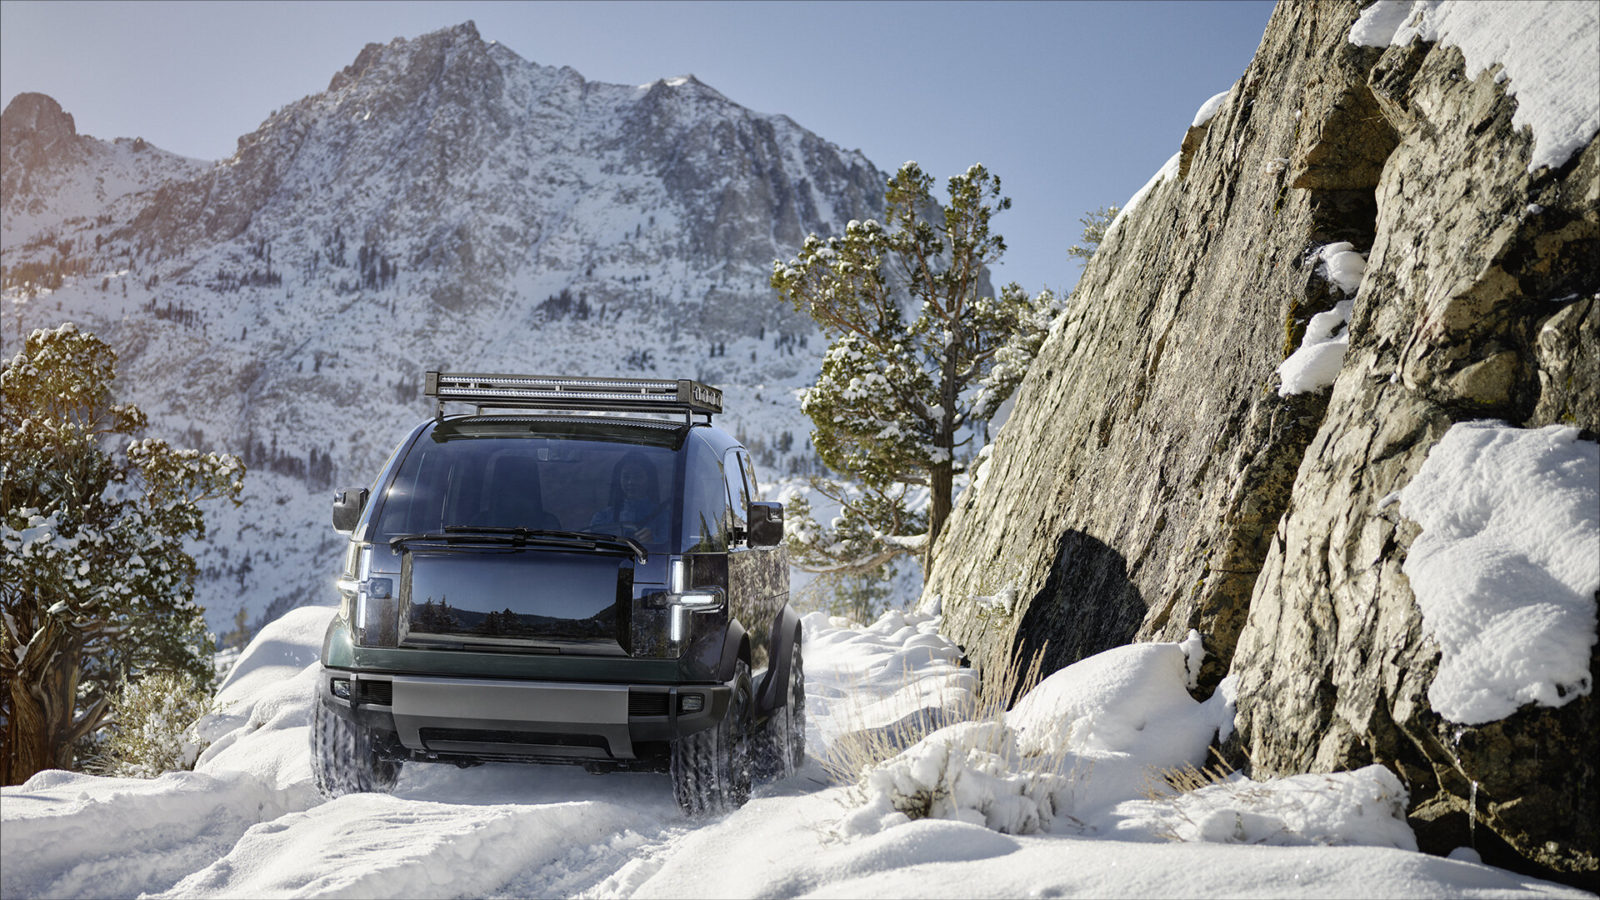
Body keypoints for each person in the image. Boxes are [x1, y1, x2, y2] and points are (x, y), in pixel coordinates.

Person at [588, 452, 670, 543]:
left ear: (649, 480)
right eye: (626, 477)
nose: (630, 482)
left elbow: (671, 547)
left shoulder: (663, 517)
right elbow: (592, 545)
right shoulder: (603, 517)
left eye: (638, 476)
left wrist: (653, 540)